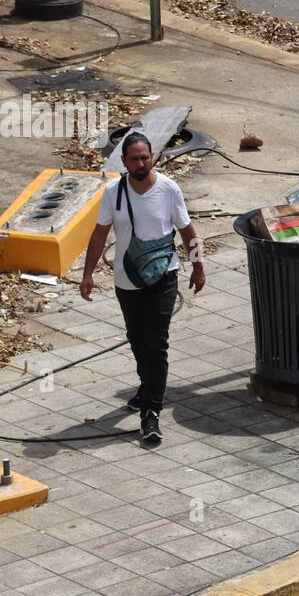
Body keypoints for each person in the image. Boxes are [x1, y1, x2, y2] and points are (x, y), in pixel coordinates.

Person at [80, 133, 206, 445]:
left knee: (156, 343)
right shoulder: (114, 193)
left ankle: (151, 412)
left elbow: (187, 228)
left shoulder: (168, 188)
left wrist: (198, 264)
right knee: (136, 339)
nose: (141, 163)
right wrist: (87, 274)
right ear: (123, 161)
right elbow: (98, 235)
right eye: (134, 158)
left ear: (152, 157)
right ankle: (146, 386)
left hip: (164, 275)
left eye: (145, 157)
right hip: (128, 279)